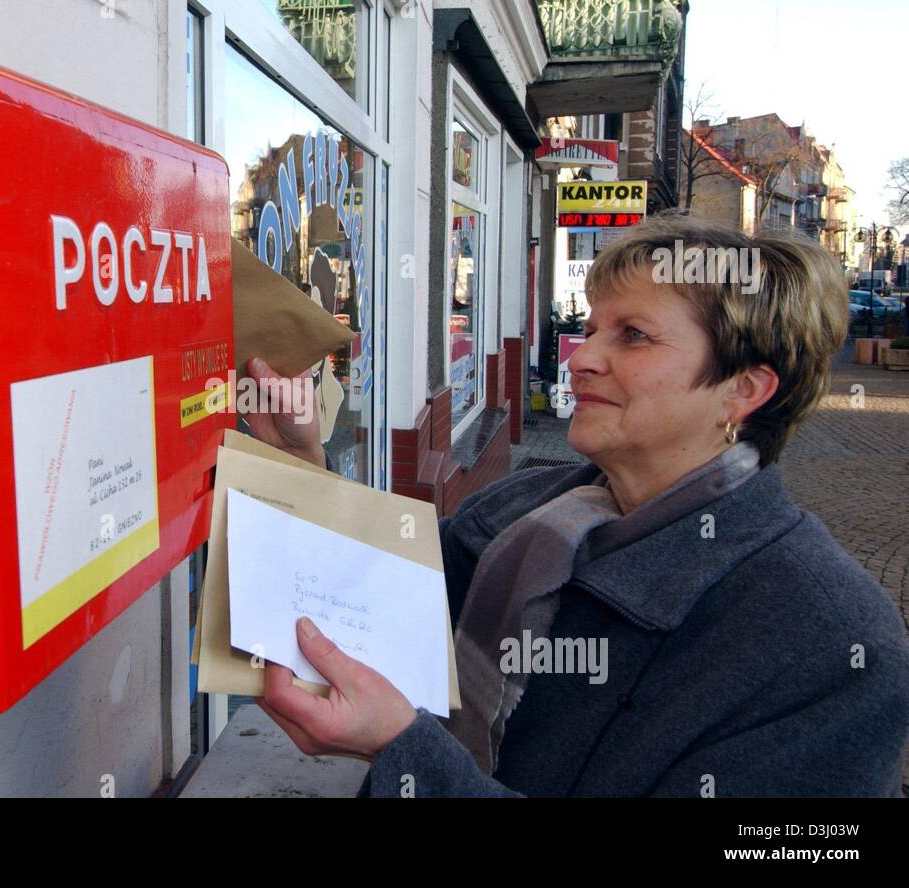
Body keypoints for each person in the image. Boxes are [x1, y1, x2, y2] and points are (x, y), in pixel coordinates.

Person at [243, 214, 909, 797]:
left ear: (742, 391)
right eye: (591, 329)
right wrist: (303, 458)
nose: (581, 357)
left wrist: (405, 754)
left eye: (633, 335)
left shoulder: (835, 646)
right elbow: (364, 596)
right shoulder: (534, 503)